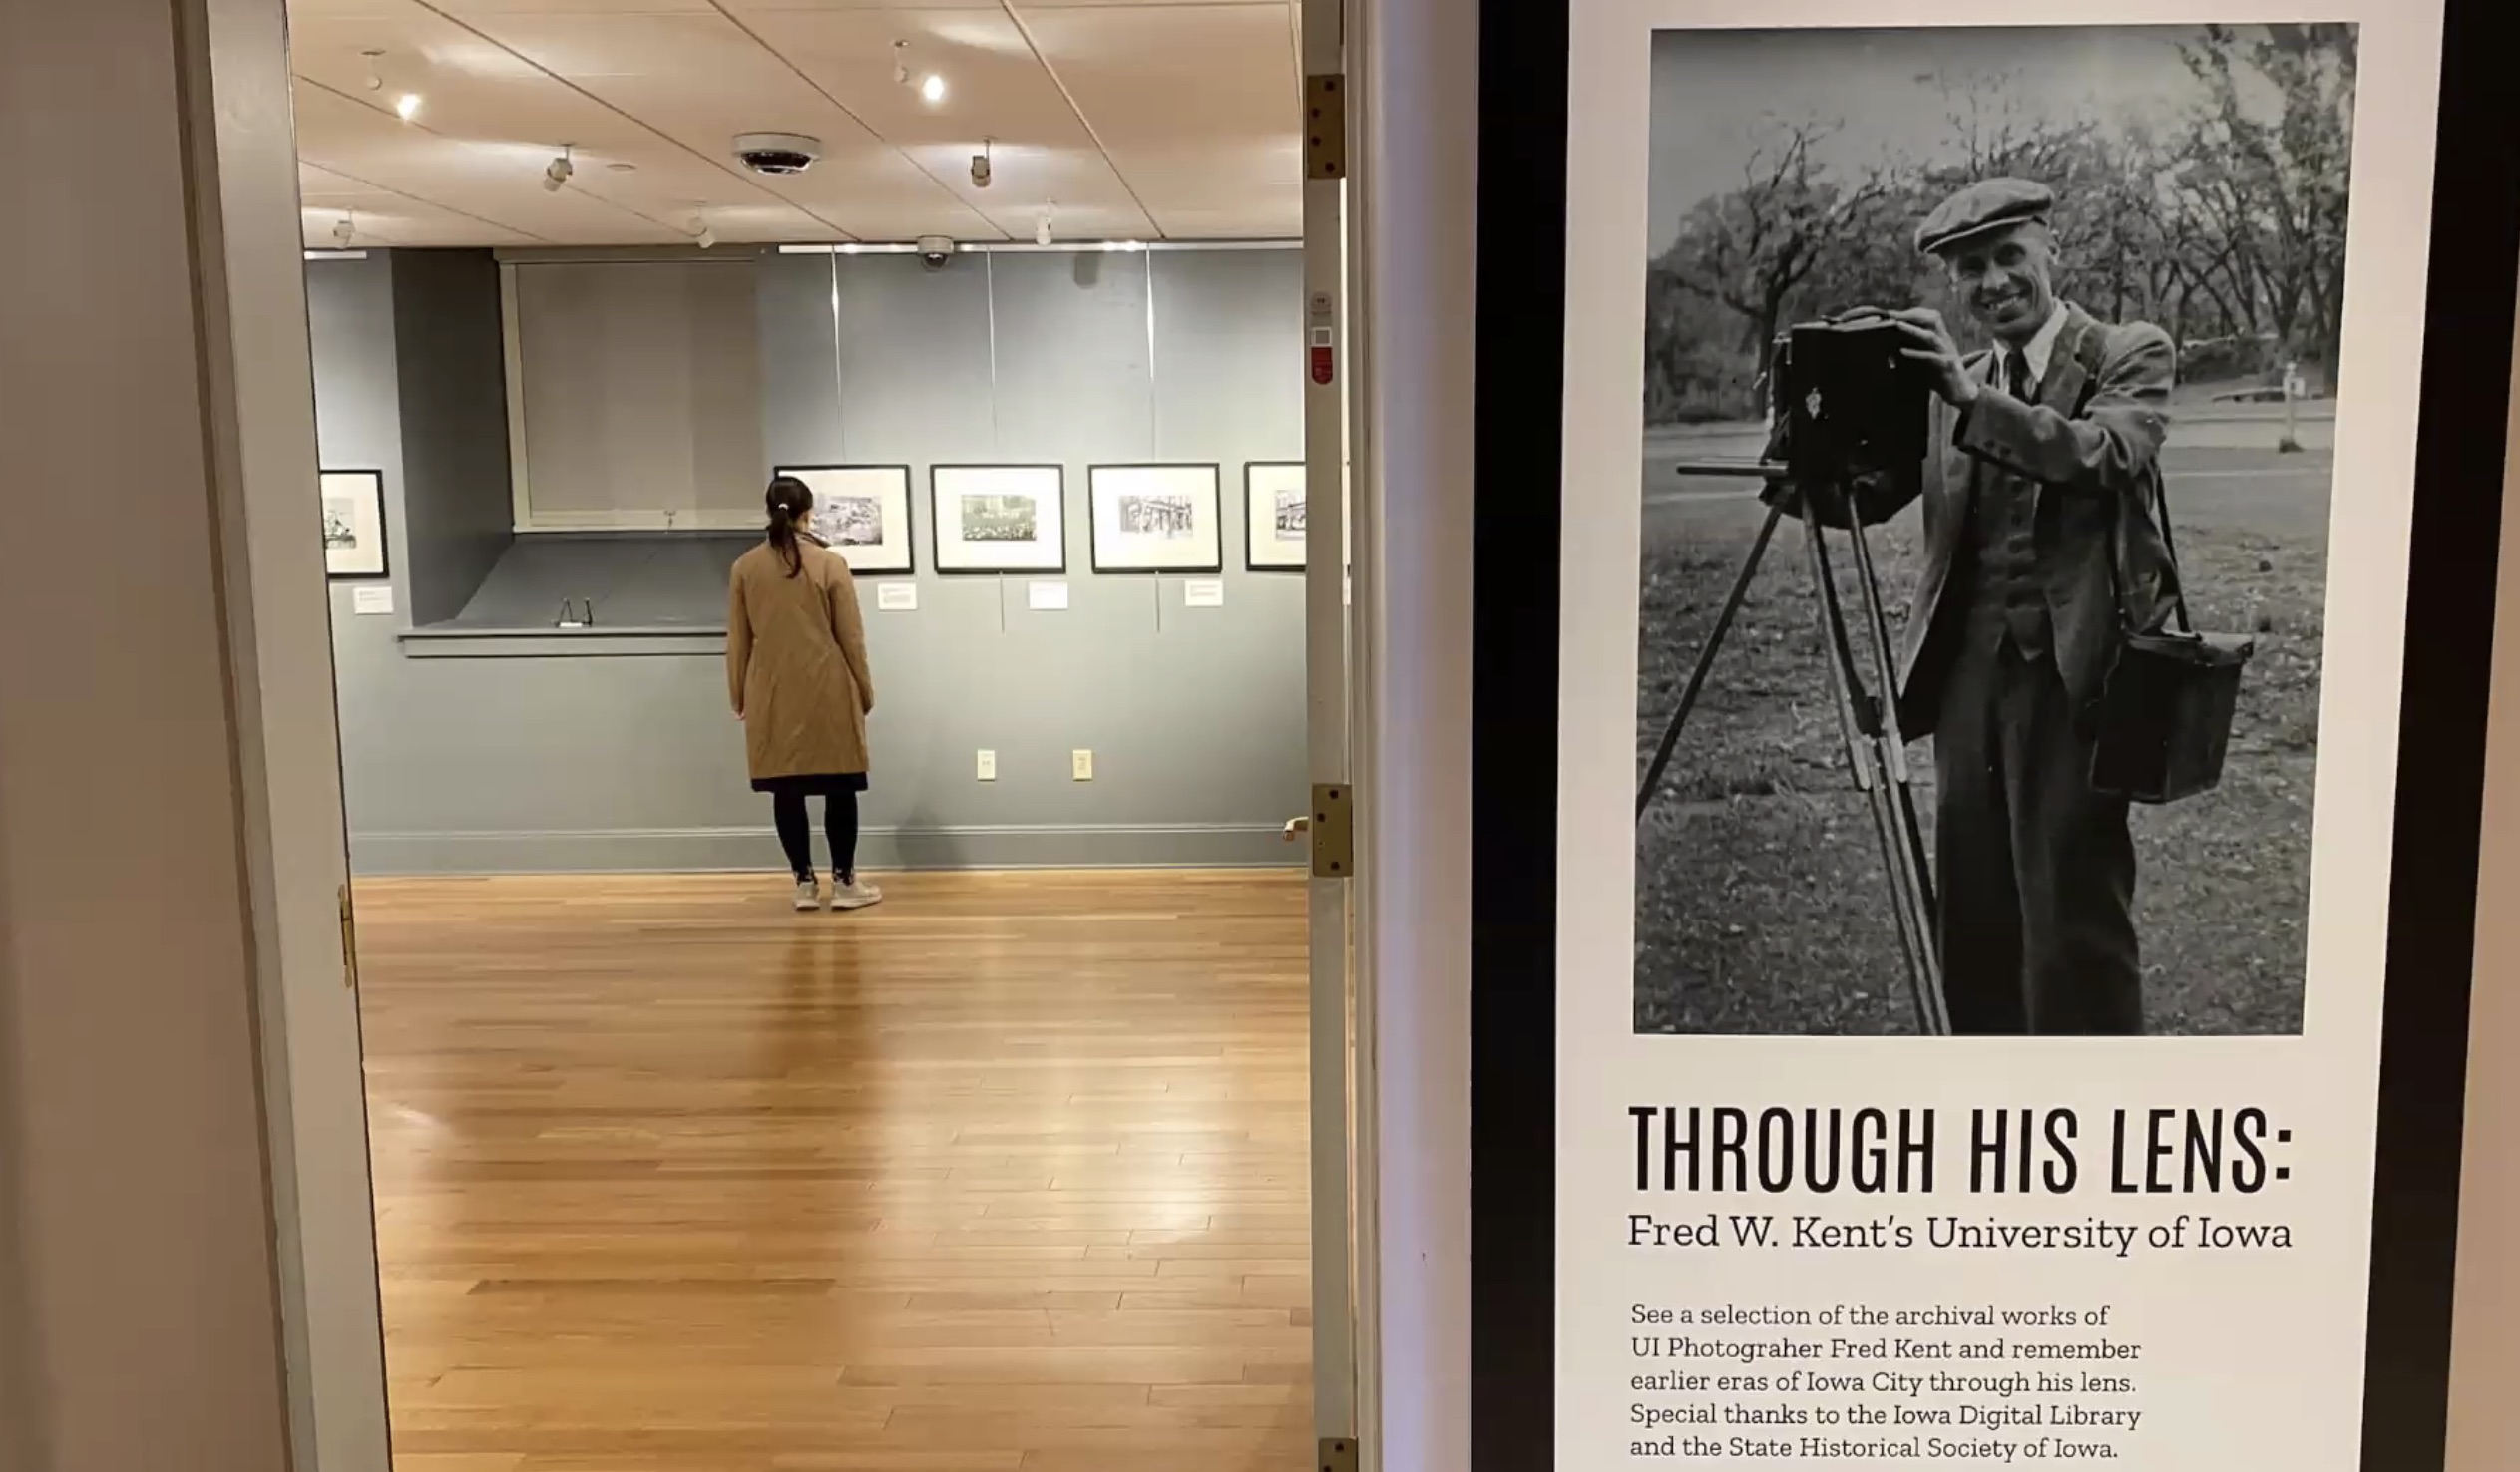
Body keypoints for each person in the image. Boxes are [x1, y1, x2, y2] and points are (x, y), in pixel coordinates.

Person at [1857, 177, 2183, 1035]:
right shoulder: (1952, 383)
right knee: (1974, 909)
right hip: (1966, 680)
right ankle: (1985, 1094)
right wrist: (1806, 428)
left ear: (2052, 253)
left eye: (2009, 256)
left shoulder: (2127, 351)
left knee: (2070, 907)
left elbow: (2105, 453)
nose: (1993, 281)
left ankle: (2091, 1101)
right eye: (1970, 269)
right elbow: (1868, 492)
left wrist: (1974, 404)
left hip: (2077, 681)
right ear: (1952, 287)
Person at [727, 475, 881, 913]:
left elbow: (738, 640)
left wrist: (738, 695)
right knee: (840, 788)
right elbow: (851, 637)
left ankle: (804, 882)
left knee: (785, 790)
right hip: (828, 689)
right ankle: (846, 882)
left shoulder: (745, 568)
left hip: (771, 692)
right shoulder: (831, 565)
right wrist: (864, 692)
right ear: (807, 513)